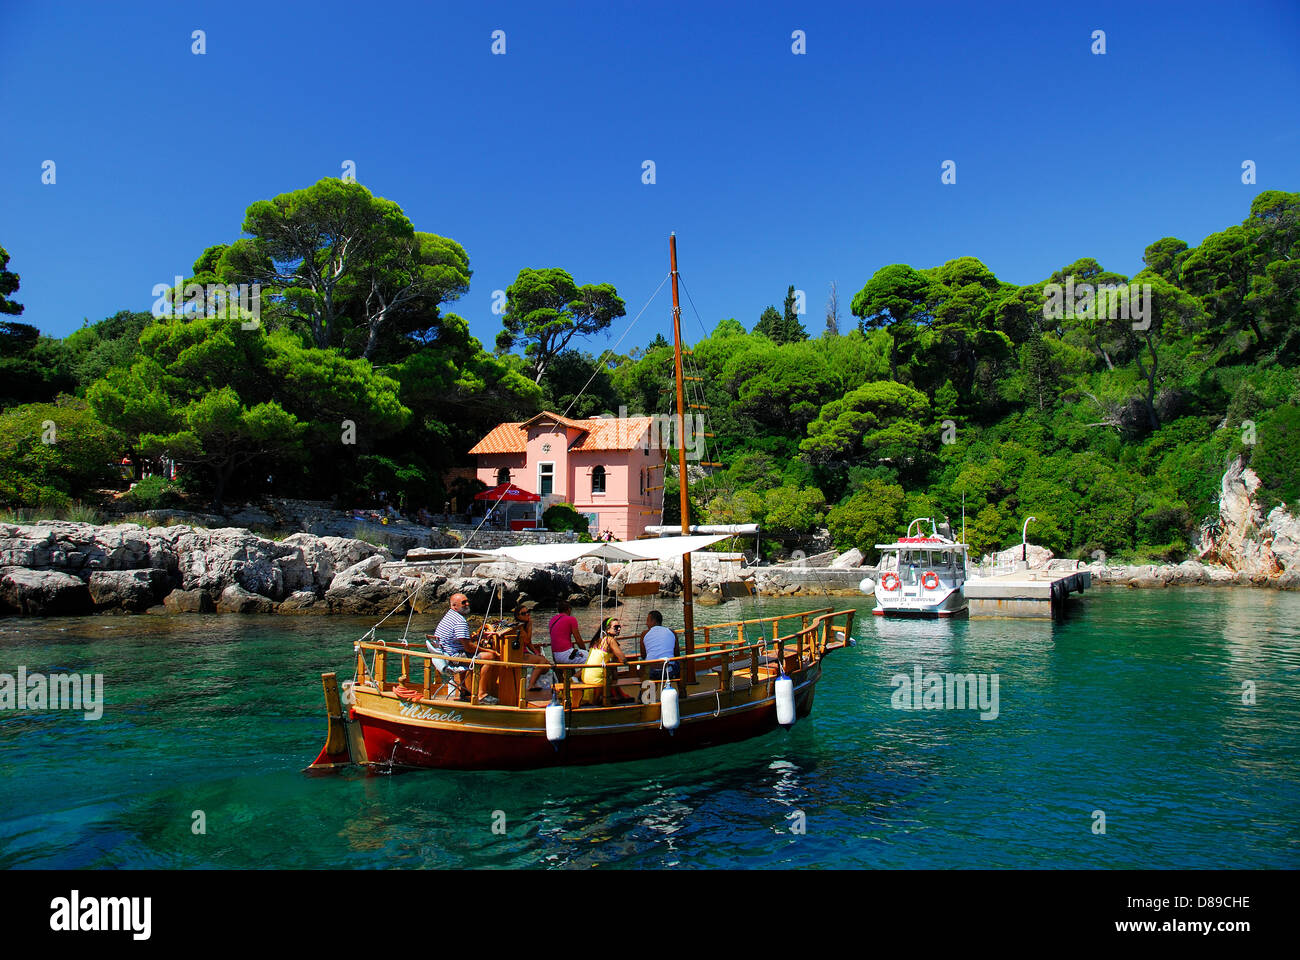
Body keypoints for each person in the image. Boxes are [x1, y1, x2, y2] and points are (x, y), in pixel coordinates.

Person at [426, 593, 502, 705]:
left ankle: (464, 692)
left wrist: (474, 638)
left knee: (474, 654)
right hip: (453, 657)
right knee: (489, 657)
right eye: (463, 602)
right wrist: (490, 651)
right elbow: (469, 647)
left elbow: (459, 640)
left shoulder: (449, 616)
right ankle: (481, 695)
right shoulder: (459, 621)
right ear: (454, 606)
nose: (467, 604)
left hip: (445, 654)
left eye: (467, 601)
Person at [581, 616, 634, 704]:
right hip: (595, 679)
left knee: (610, 674)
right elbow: (623, 659)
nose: (619, 629)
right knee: (610, 678)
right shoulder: (610, 640)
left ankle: (608, 699)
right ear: (607, 630)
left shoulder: (597, 640)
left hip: (585, 677)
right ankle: (608, 699)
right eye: (616, 627)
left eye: (619, 627)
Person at [511, 605, 552, 693]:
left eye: (528, 612)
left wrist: (536, 653)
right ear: (518, 616)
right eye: (523, 613)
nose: (527, 614)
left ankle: (534, 680)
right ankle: (531, 684)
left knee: (547, 664)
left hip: (525, 653)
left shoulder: (524, 625)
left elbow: (529, 644)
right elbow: (527, 640)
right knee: (542, 661)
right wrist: (530, 626)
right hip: (519, 655)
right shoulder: (518, 627)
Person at [639, 609, 680, 682]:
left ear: (654, 621)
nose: (646, 623)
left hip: (652, 671)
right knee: (678, 662)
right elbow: (677, 654)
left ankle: (646, 688)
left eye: (648, 620)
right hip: (669, 670)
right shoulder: (672, 632)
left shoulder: (644, 634)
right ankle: (680, 687)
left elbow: (643, 655)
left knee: (642, 666)